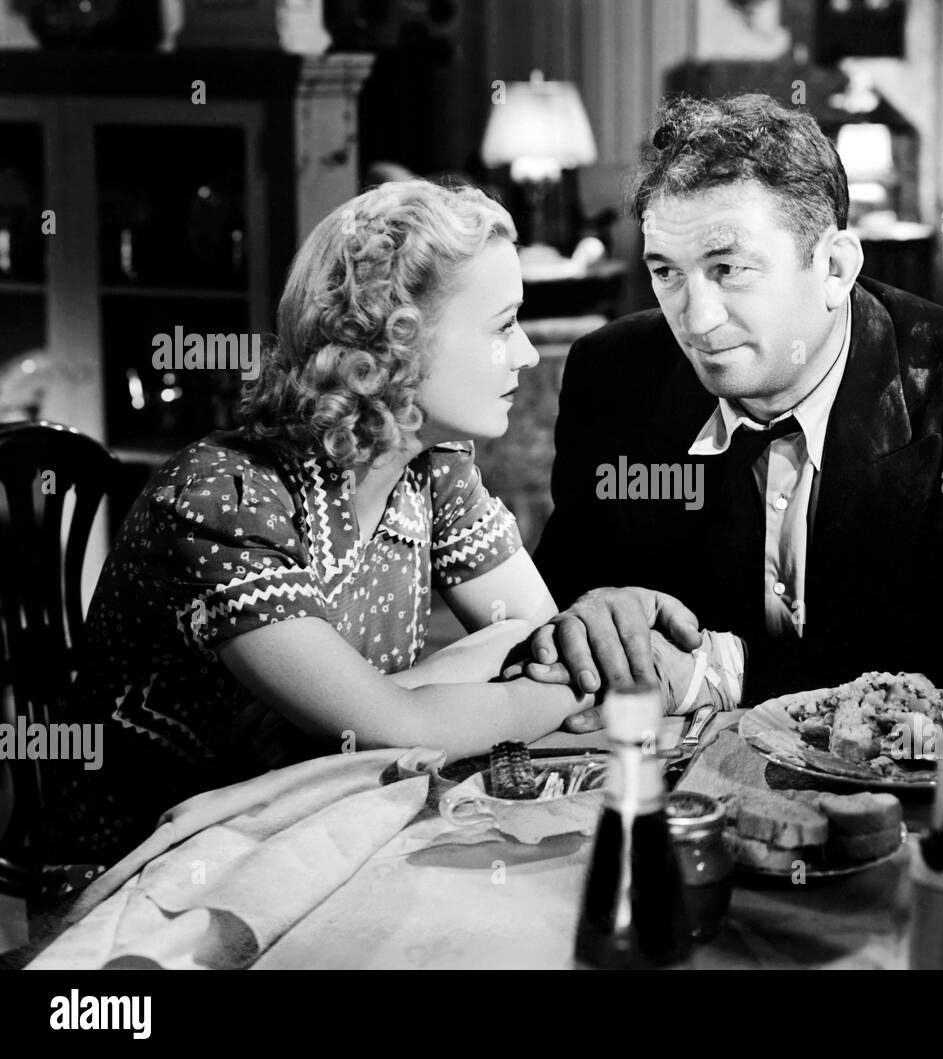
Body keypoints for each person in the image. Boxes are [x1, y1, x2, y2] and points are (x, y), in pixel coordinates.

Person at [44, 180, 597, 864]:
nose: (528, 354)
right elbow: (407, 724)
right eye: (503, 324)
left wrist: (401, 711)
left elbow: (535, 636)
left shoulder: (435, 470)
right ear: (400, 339)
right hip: (144, 879)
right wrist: (562, 682)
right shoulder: (225, 494)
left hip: (300, 826)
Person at [520, 93, 943, 721]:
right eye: (667, 272)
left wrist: (718, 672)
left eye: (729, 268)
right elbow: (561, 604)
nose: (696, 320)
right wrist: (590, 615)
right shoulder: (611, 375)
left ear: (834, 268)